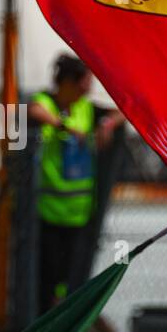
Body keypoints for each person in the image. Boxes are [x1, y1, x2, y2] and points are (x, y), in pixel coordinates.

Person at [27, 54, 124, 314]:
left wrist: (107, 125)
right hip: (50, 211)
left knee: (72, 280)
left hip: (79, 214)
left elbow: (122, 112)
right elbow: (33, 109)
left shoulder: (86, 108)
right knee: (47, 278)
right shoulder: (47, 102)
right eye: (85, 81)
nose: (89, 88)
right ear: (69, 82)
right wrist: (64, 127)